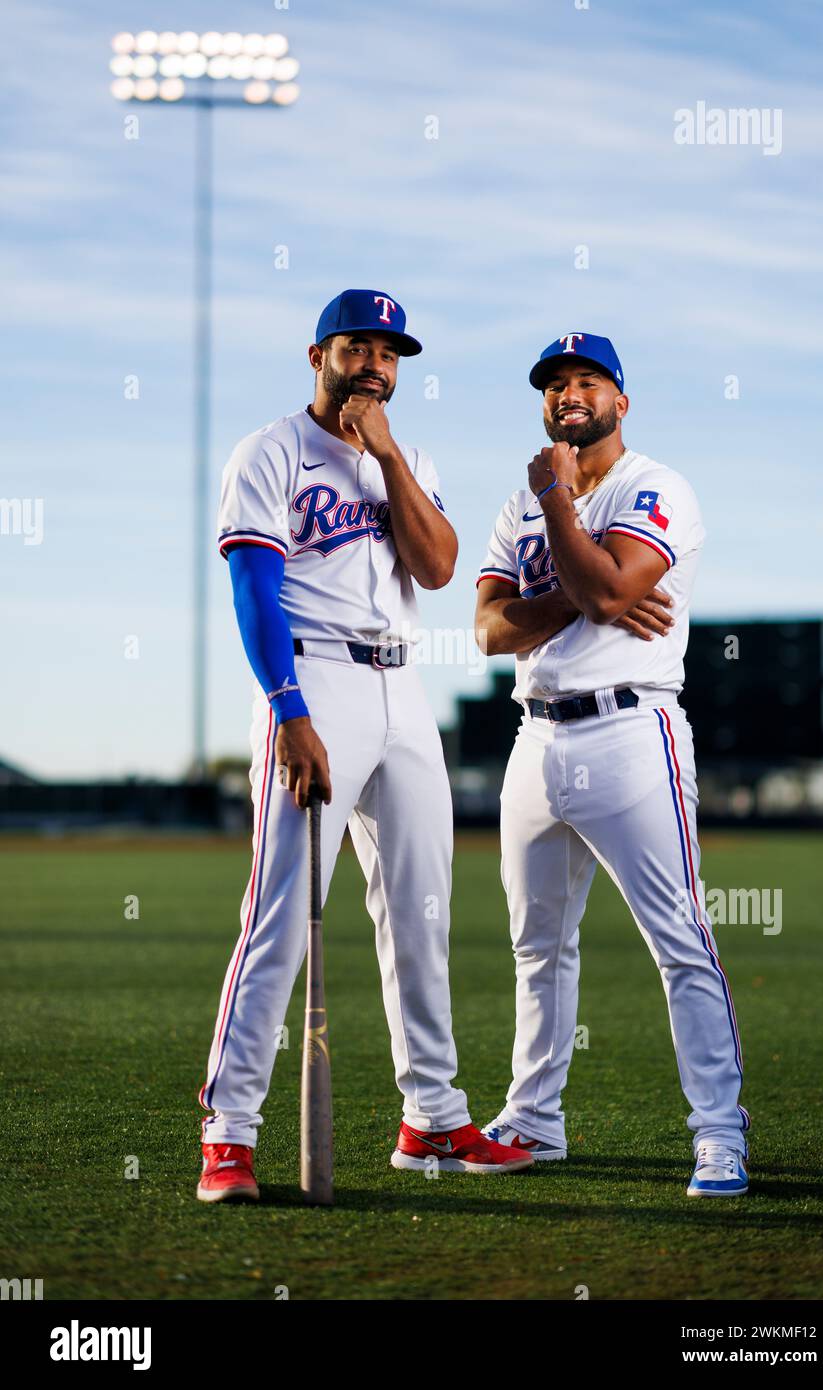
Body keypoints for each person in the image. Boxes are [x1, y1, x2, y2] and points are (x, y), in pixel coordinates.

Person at [197, 289, 534, 1201]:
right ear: (319, 356)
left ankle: (432, 1119)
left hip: (401, 687)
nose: (375, 363)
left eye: (390, 351)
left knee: (422, 913)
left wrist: (384, 455)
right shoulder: (268, 452)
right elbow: (253, 593)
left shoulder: (406, 455)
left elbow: (436, 566)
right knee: (278, 915)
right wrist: (289, 710)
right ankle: (227, 1134)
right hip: (315, 683)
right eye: (358, 346)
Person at [474, 331, 750, 1197]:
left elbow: (606, 593)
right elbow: (489, 631)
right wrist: (583, 592)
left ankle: (718, 1131)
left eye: (586, 381)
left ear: (620, 400)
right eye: (554, 384)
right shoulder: (515, 507)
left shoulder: (653, 485)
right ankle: (533, 1120)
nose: (568, 395)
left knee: (677, 939)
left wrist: (559, 509)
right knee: (535, 948)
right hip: (536, 735)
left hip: (631, 729)